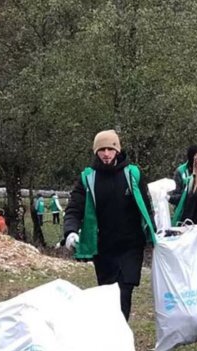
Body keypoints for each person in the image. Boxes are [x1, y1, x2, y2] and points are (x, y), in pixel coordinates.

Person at [63, 130, 157, 320]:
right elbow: (74, 208)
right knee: (108, 294)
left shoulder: (133, 174)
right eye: (102, 149)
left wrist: (153, 232)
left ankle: (120, 337)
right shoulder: (88, 178)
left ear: (117, 150)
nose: (106, 154)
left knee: (124, 291)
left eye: (110, 149)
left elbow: (146, 207)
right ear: (96, 152)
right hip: (104, 247)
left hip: (131, 245)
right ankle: (113, 335)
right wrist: (70, 232)